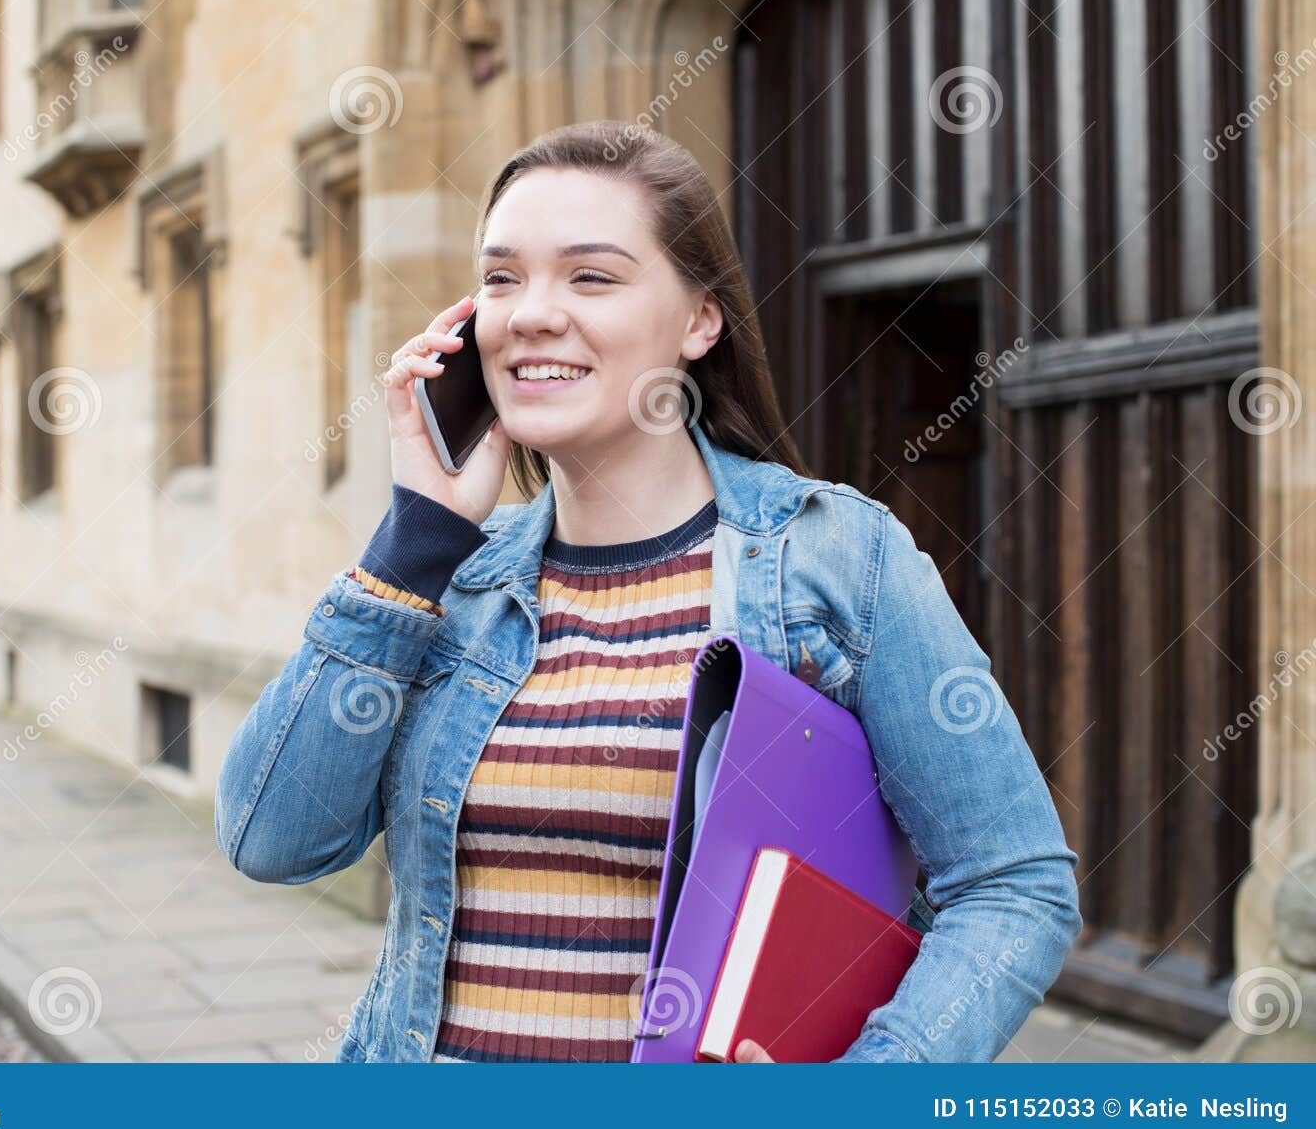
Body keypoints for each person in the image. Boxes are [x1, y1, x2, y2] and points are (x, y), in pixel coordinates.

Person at [215, 119, 1081, 1063]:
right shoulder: (444, 577)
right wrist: (413, 546)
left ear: (700, 320)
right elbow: (272, 839)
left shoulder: (838, 560)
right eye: (502, 277)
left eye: (591, 275)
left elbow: (1013, 882)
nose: (531, 312)